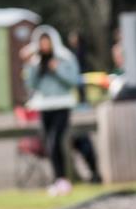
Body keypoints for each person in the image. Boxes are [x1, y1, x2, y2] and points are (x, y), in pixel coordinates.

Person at [23, 25, 99, 194]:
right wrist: (29, 65)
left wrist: (57, 69)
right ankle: (58, 178)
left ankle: (63, 178)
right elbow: (32, 84)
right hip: (44, 105)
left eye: (47, 42)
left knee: (56, 140)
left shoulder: (64, 58)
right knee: (49, 142)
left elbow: (73, 80)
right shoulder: (37, 62)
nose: (44, 46)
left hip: (62, 104)